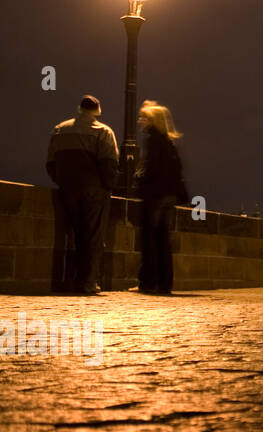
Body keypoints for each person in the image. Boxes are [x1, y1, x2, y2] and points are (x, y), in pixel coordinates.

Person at [46, 95, 118, 294]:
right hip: (93, 190)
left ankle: (67, 281)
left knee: (72, 236)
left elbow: (50, 163)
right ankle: (87, 282)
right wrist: (106, 186)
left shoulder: (59, 129)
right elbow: (109, 164)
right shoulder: (103, 132)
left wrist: (61, 181)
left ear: (79, 109)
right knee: (92, 236)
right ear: (98, 110)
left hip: (67, 189)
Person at [135, 101, 188, 295]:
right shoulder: (168, 142)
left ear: (152, 121)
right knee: (163, 240)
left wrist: (139, 178)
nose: (140, 121)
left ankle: (148, 282)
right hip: (169, 195)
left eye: (144, 118)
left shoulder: (152, 140)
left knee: (149, 239)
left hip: (155, 194)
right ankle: (165, 283)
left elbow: (151, 168)